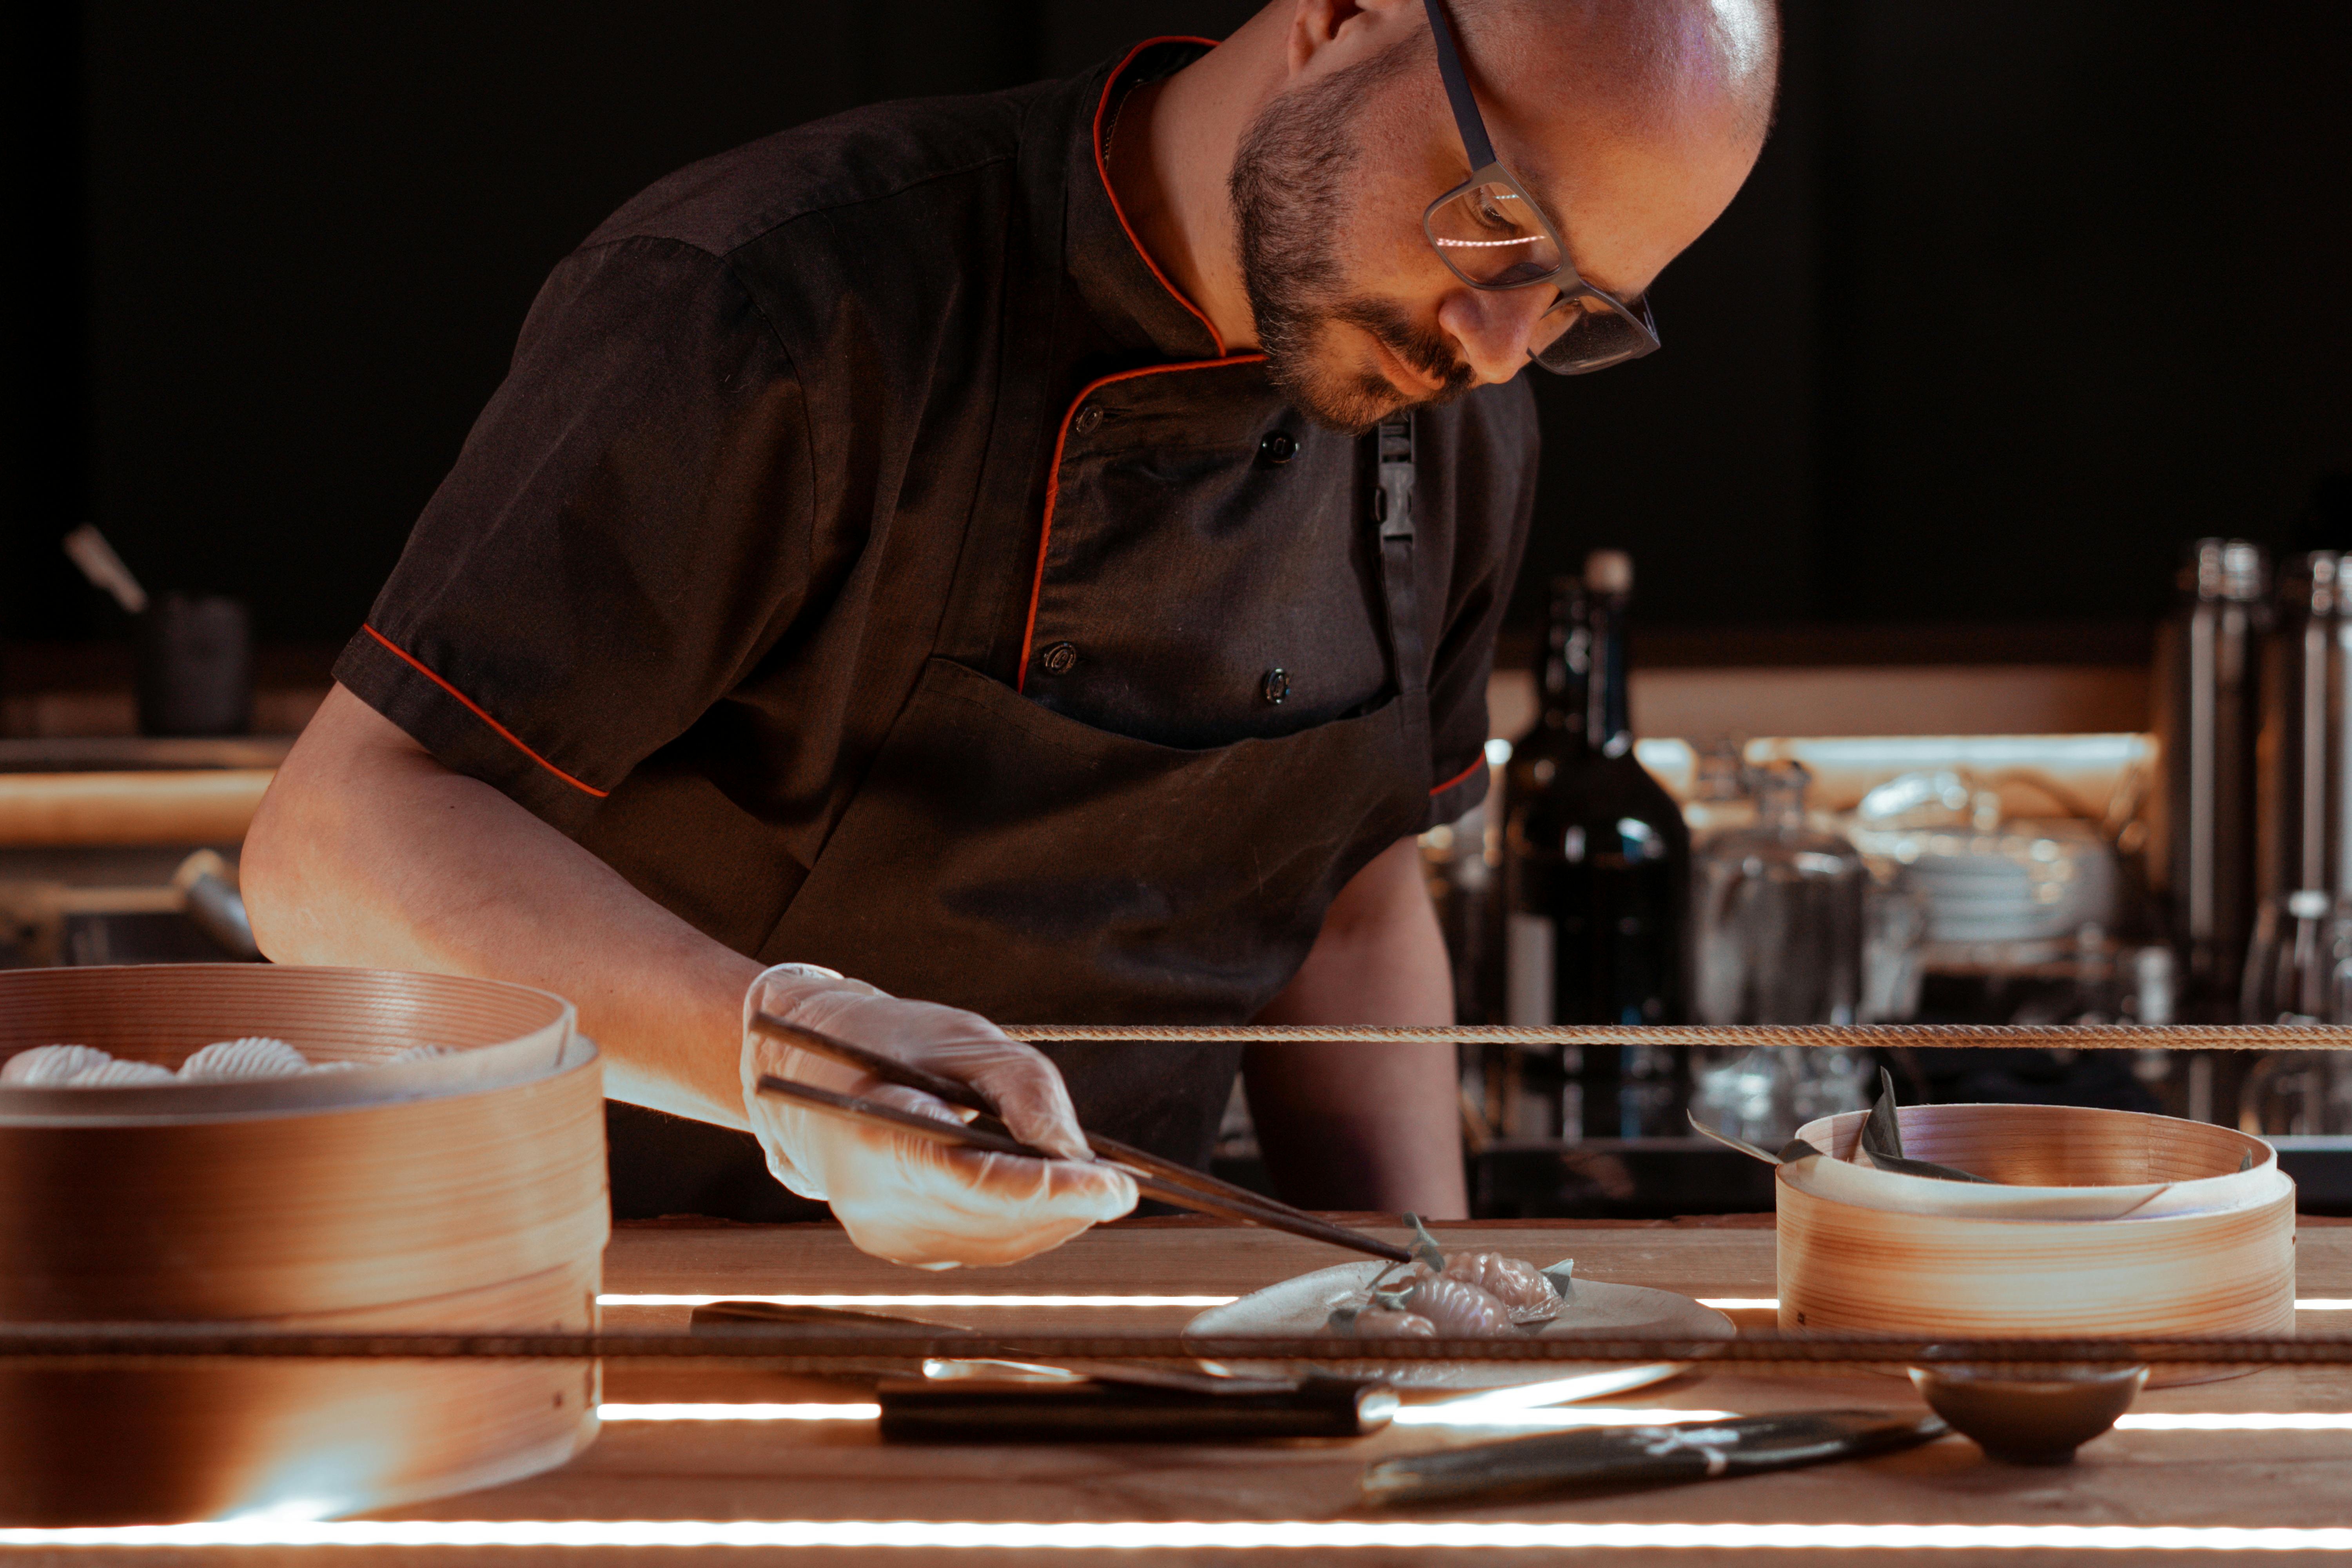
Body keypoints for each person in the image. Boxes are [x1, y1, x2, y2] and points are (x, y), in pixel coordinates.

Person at [242, 0, 1779, 1267]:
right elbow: (332, 844)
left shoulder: (1453, 430)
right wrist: (788, 1049)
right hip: (613, 1299)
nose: (1498, 345)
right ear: (1345, 16)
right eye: (1498, 223)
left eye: (1581, 306)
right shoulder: (775, 304)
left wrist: (1429, 1299)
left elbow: (1354, 909)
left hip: (1133, 1360)